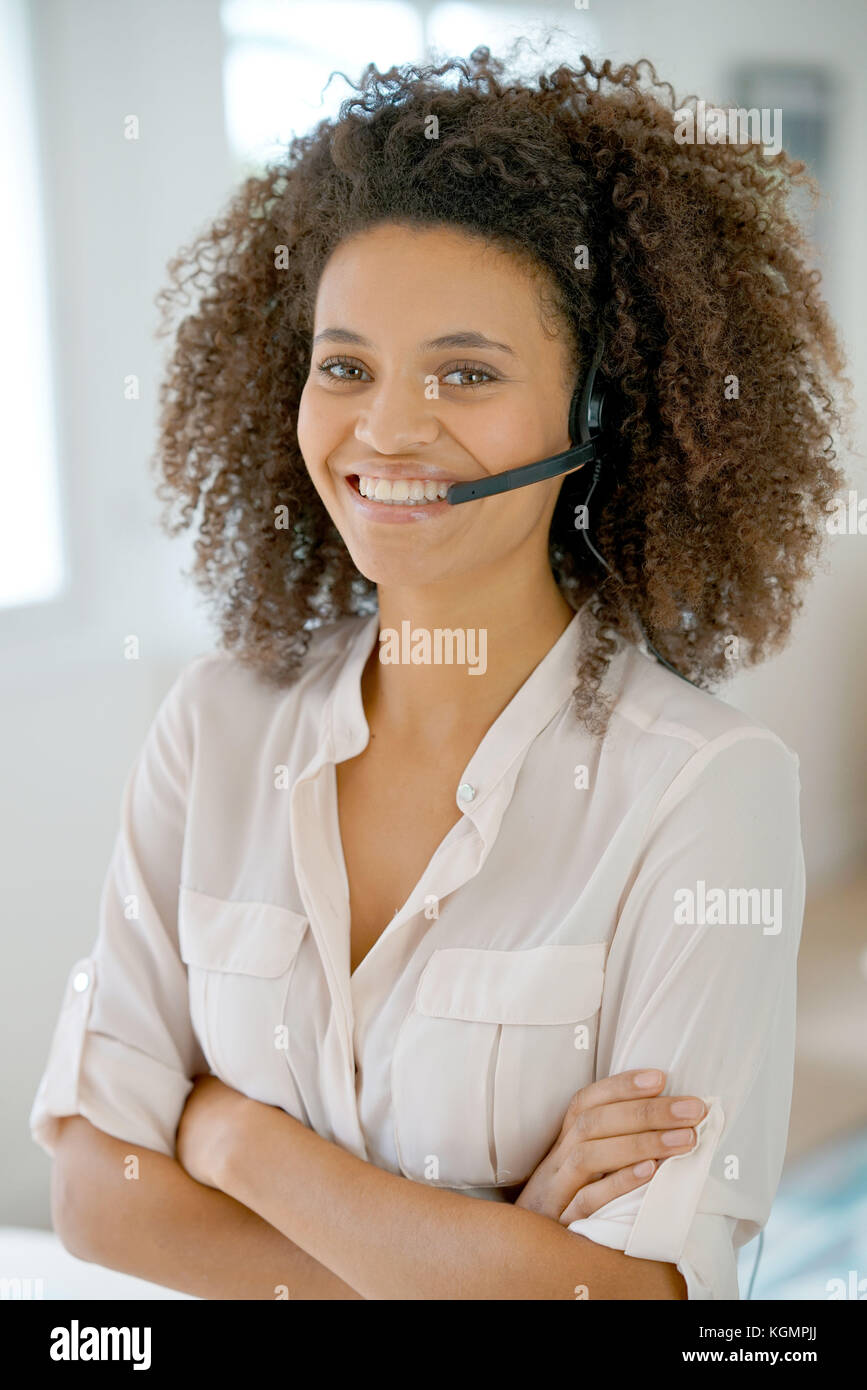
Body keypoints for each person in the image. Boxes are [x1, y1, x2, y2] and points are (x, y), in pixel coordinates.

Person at [31, 50, 847, 1300]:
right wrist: (474, 1256)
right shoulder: (212, 729)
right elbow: (94, 1195)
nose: (389, 429)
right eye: (345, 365)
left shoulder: (705, 792)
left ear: (592, 419)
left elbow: (641, 1301)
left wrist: (228, 1137)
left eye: (466, 372)